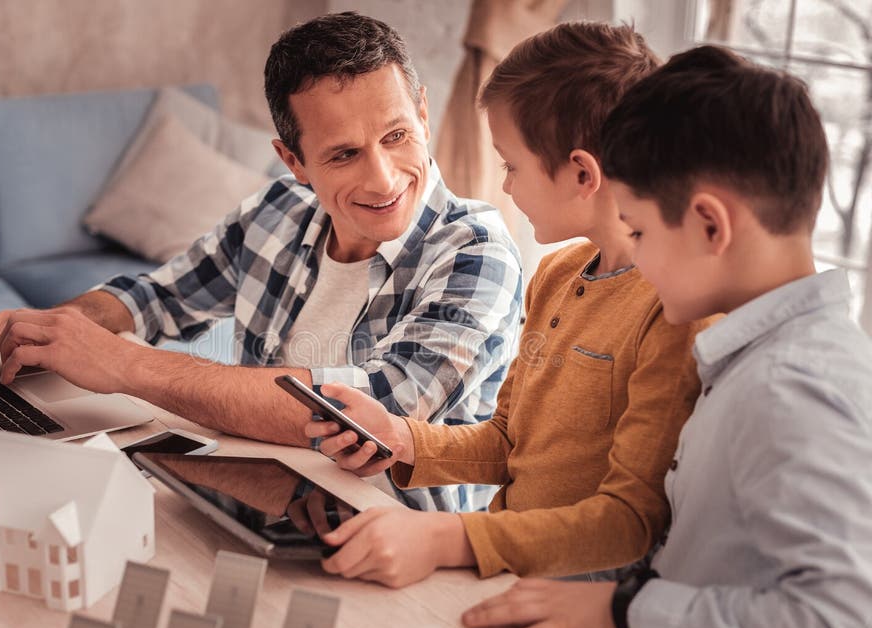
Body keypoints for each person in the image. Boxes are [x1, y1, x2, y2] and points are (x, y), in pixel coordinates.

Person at [0, 12, 524, 513]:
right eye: (344, 153)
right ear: (293, 160)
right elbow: (155, 299)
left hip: (392, 539)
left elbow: (374, 413)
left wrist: (123, 365)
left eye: (396, 135)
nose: (382, 177)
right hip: (246, 497)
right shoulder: (277, 210)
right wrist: (50, 327)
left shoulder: (476, 251)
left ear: (422, 113)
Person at [461, 46, 872, 628]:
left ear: (710, 225)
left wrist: (626, 611)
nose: (639, 258)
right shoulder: (762, 363)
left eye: (642, 231)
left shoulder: (789, 387)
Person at [306, 23, 713, 588]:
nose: (508, 188)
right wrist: (400, 436)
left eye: (511, 166)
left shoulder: (672, 309)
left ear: (581, 173)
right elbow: (507, 441)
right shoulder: (557, 274)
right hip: (507, 570)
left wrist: (450, 540)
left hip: (577, 605)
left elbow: (628, 522)